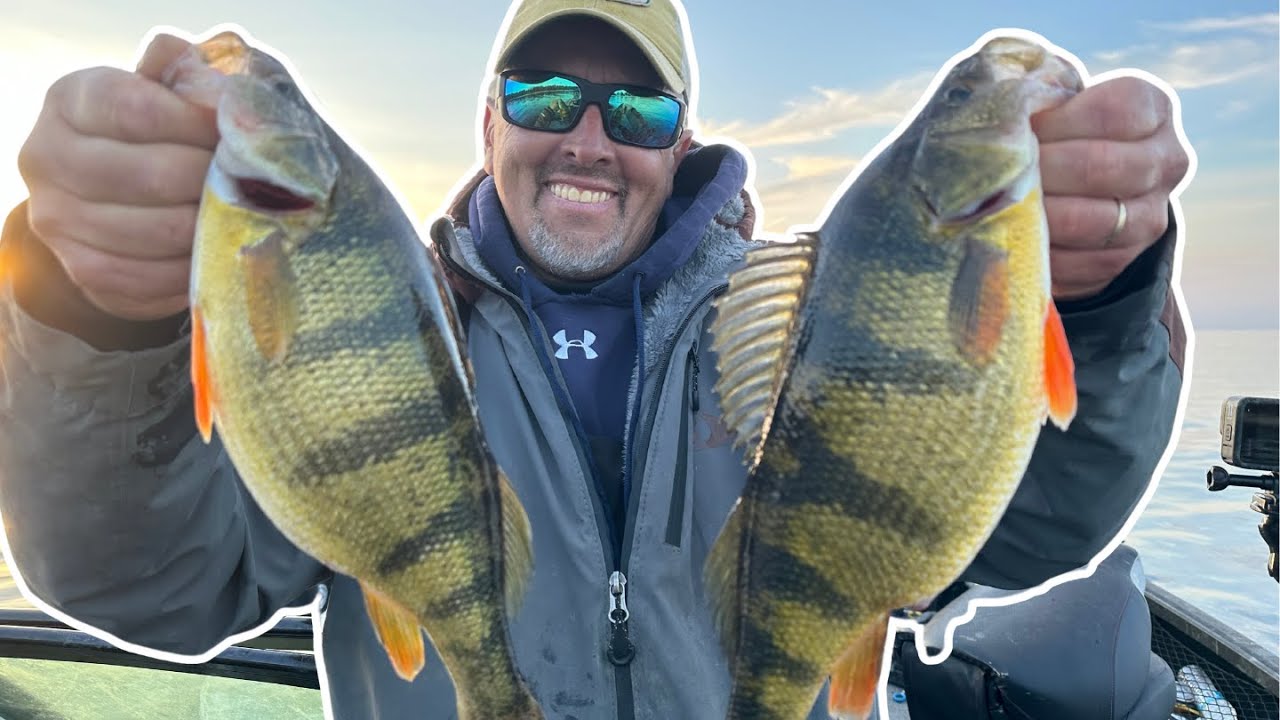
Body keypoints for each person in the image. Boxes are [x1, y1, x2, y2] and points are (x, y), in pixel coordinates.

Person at [0, 1, 1190, 718]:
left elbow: (1030, 529)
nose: (586, 136)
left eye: (636, 112)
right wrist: (105, 324)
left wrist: (1100, 301)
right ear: (486, 120)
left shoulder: (807, 327)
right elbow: (143, 582)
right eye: (545, 93)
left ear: (681, 142)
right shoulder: (373, 328)